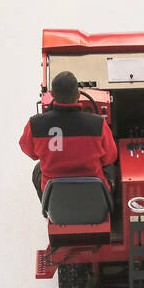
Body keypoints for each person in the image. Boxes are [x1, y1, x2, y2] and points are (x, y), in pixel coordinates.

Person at [19, 71, 118, 202]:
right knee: (113, 168)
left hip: (55, 196)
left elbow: (30, 152)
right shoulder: (98, 124)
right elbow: (110, 157)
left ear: (52, 95)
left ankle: (49, 208)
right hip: (94, 195)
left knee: (38, 170)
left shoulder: (35, 124)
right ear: (78, 95)